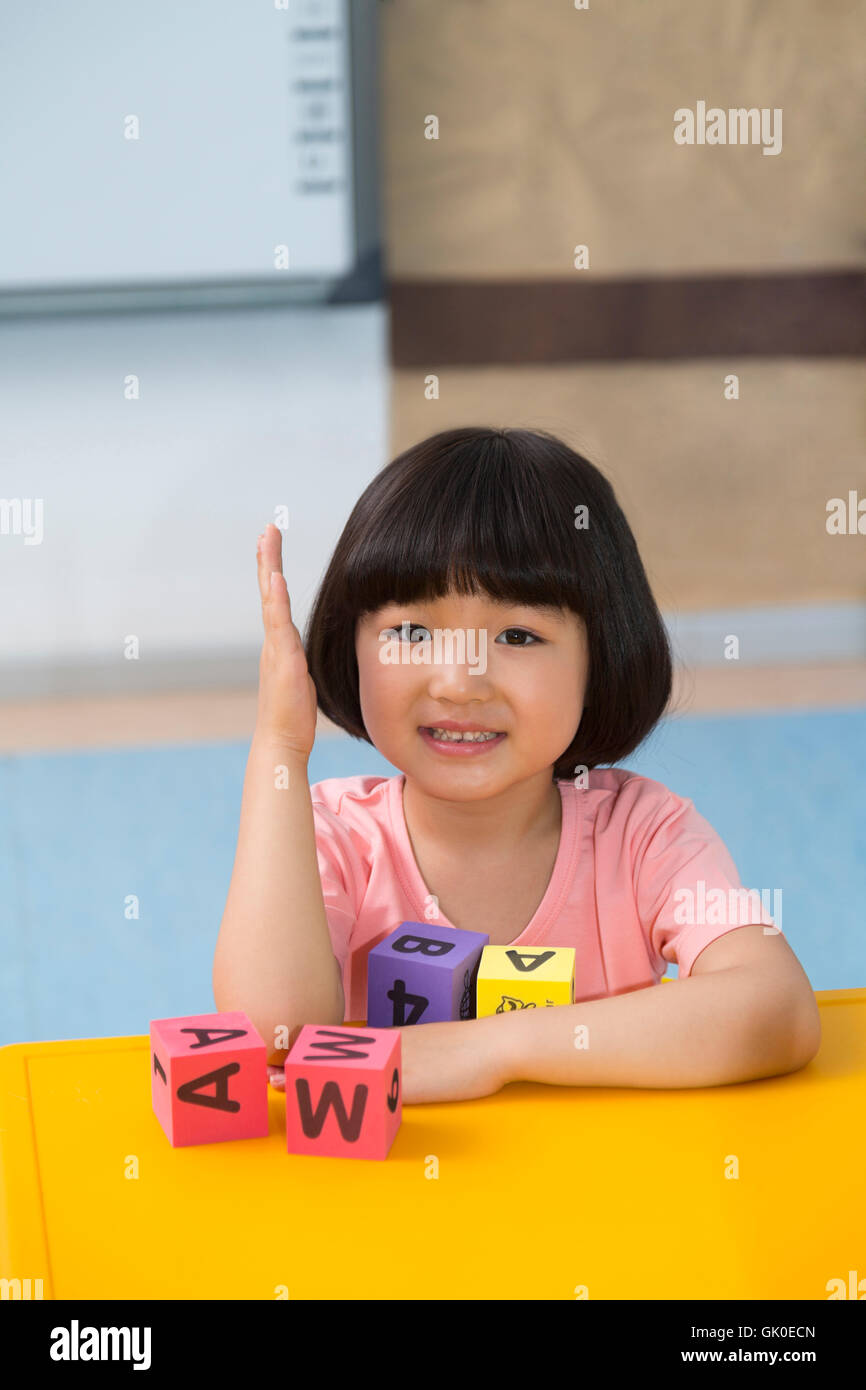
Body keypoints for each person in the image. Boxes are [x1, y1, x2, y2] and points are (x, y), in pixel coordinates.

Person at [213, 426, 820, 1104]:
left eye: (518, 635)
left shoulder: (645, 836)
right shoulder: (335, 835)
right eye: (412, 632)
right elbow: (275, 1035)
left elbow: (777, 1010)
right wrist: (279, 750)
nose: (460, 683)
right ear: (347, 647)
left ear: (603, 655)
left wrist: (490, 1049)